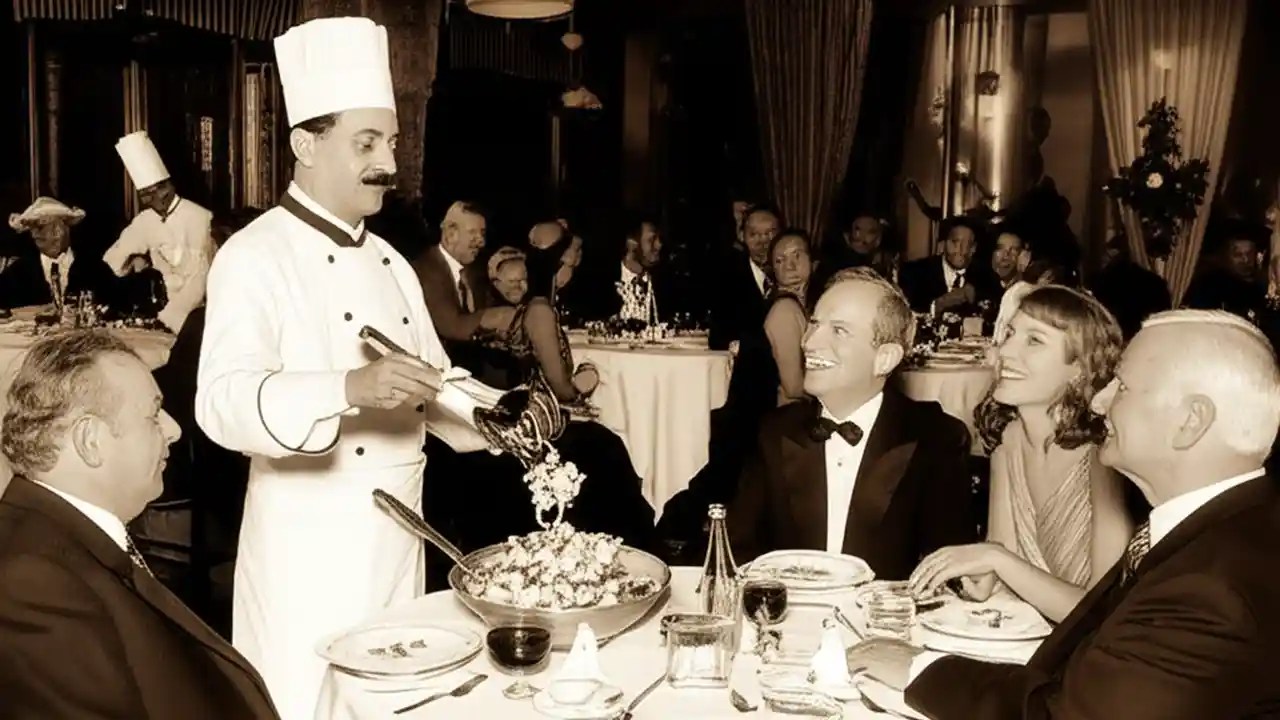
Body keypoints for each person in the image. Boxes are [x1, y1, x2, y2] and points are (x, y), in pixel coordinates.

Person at [195, 17, 484, 719]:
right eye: (366, 143)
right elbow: (222, 403)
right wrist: (347, 388)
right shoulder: (253, 255)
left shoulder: (392, 262)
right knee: (305, 700)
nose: (388, 160)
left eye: (390, 141)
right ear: (305, 144)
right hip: (308, 547)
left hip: (398, 535)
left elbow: (435, 383)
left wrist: (501, 414)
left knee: (396, 702)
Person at [849, 309, 1280, 720]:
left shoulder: (1212, 588)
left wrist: (921, 671)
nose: (1099, 403)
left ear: (1191, 421)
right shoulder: (1223, 528)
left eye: (1123, 387)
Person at [0, 330, 278, 719]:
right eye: (153, 414)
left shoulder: (65, 537)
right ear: (90, 441)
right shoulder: (31, 583)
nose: (174, 429)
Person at [728, 267, 978, 580]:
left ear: (884, 358)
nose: (809, 341)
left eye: (839, 330)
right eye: (815, 323)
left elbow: (954, 572)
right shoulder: (775, 432)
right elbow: (738, 552)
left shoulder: (935, 439)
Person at [910, 286, 1132, 623]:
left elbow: (1101, 612)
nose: (1005, 351)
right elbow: (1005, 567)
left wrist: (996, 560)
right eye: (1010, 334)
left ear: (1081, 368)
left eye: (1034, 341)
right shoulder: (1009, 442)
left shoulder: (1103, 458)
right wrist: (978, 579)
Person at [103, 131, 215, 334]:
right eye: (145, 195)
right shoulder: (144, 220)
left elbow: (200, 281)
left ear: (169, 186)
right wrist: (135, 258)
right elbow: (113, 260)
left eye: (155, 191)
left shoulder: (200, 218)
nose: (151, 200)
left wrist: (171, 317)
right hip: (155, 314)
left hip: (196, 316)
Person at [2, 196, 116, 310]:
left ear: (64, 228)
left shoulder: (95, 269)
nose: (35, 234)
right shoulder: (15, 274)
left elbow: (118, 309)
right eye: (33, 228)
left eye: (41, 227)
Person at [763, 228, 814, 404]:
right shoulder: (785, 310)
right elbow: (793, 387)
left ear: (812, 260)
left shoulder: (801, 307)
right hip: (790, 418)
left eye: (797, 256)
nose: (790, 266)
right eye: (779, 261)